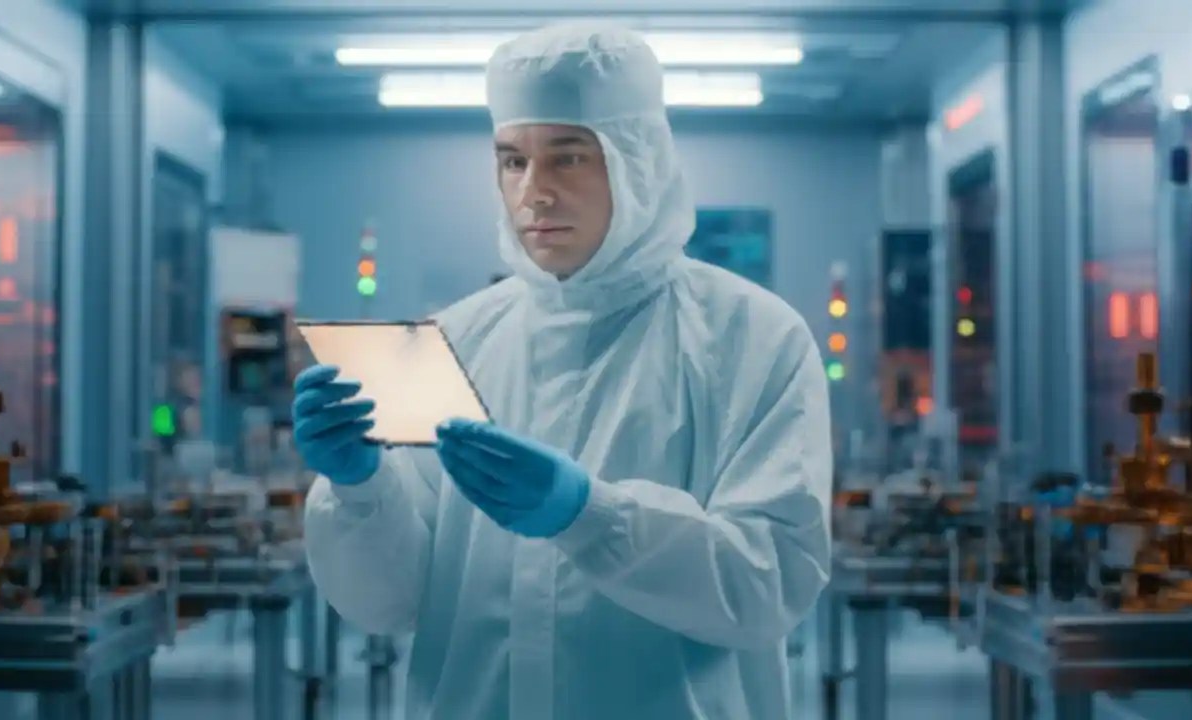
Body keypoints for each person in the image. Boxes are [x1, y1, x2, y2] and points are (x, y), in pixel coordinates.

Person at [298, 21, 832, 720]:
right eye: (513, 161)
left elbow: (770, 584)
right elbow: (389, 603)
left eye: (569, 158)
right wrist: (360, 490)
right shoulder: (457, 338)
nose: (533, 194)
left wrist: (591, 517)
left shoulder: (753, 338)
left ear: (636, 160)